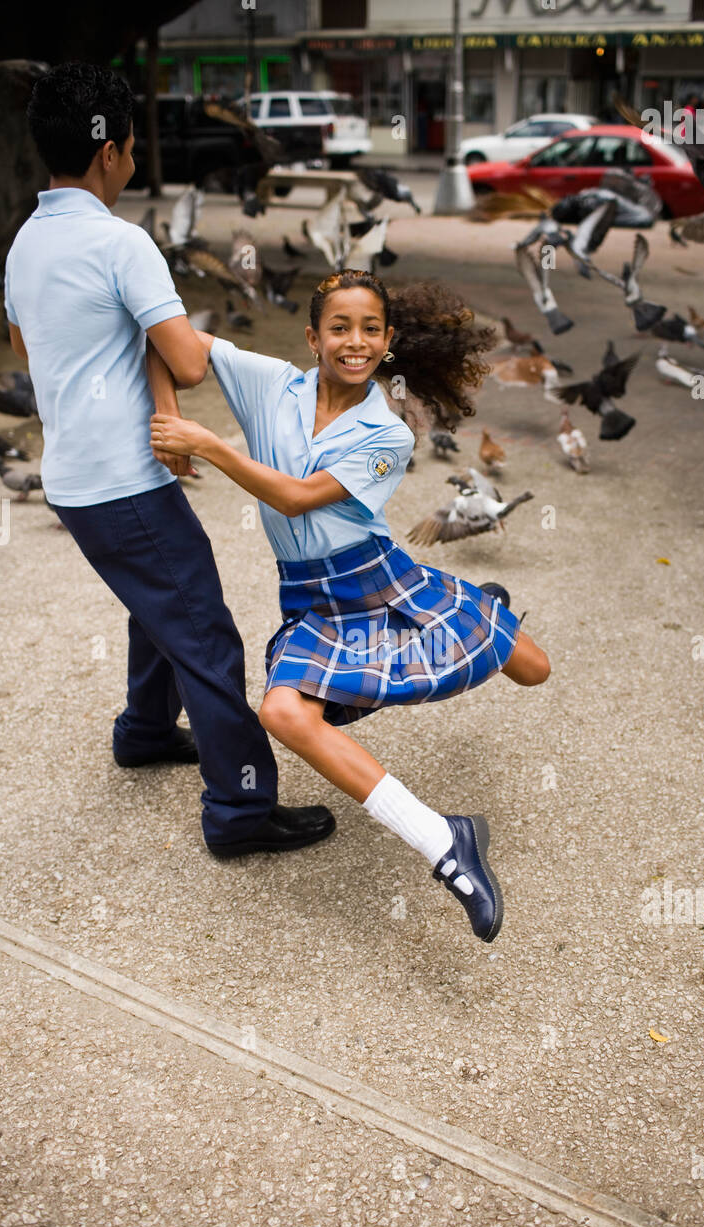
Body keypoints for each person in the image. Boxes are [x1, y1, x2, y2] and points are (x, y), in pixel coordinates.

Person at [150, 270, 551, 942]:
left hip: (376, 578)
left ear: (388, 340)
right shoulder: (268, 381)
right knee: (282, 711)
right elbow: (164, 339)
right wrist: (170, 431)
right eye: (339, 327)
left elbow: (298, 497)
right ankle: (445, 840)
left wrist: (209, 447)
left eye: (370, 329)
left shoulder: (388, 436)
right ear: (312, 337)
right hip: (311, 597)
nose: (355, 341)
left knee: (534, 670)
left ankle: (482, 611)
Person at [4, 62, 334, 857]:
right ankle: (241, 812)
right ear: (113, 151)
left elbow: (29, 349)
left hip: (76, 478)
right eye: (128, 151)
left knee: (158, 598)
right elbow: (187, 358)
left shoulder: (24, 242)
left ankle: (146, 731)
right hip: (123, 482)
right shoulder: (123, 242)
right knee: (204, 631)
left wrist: (156, 402)